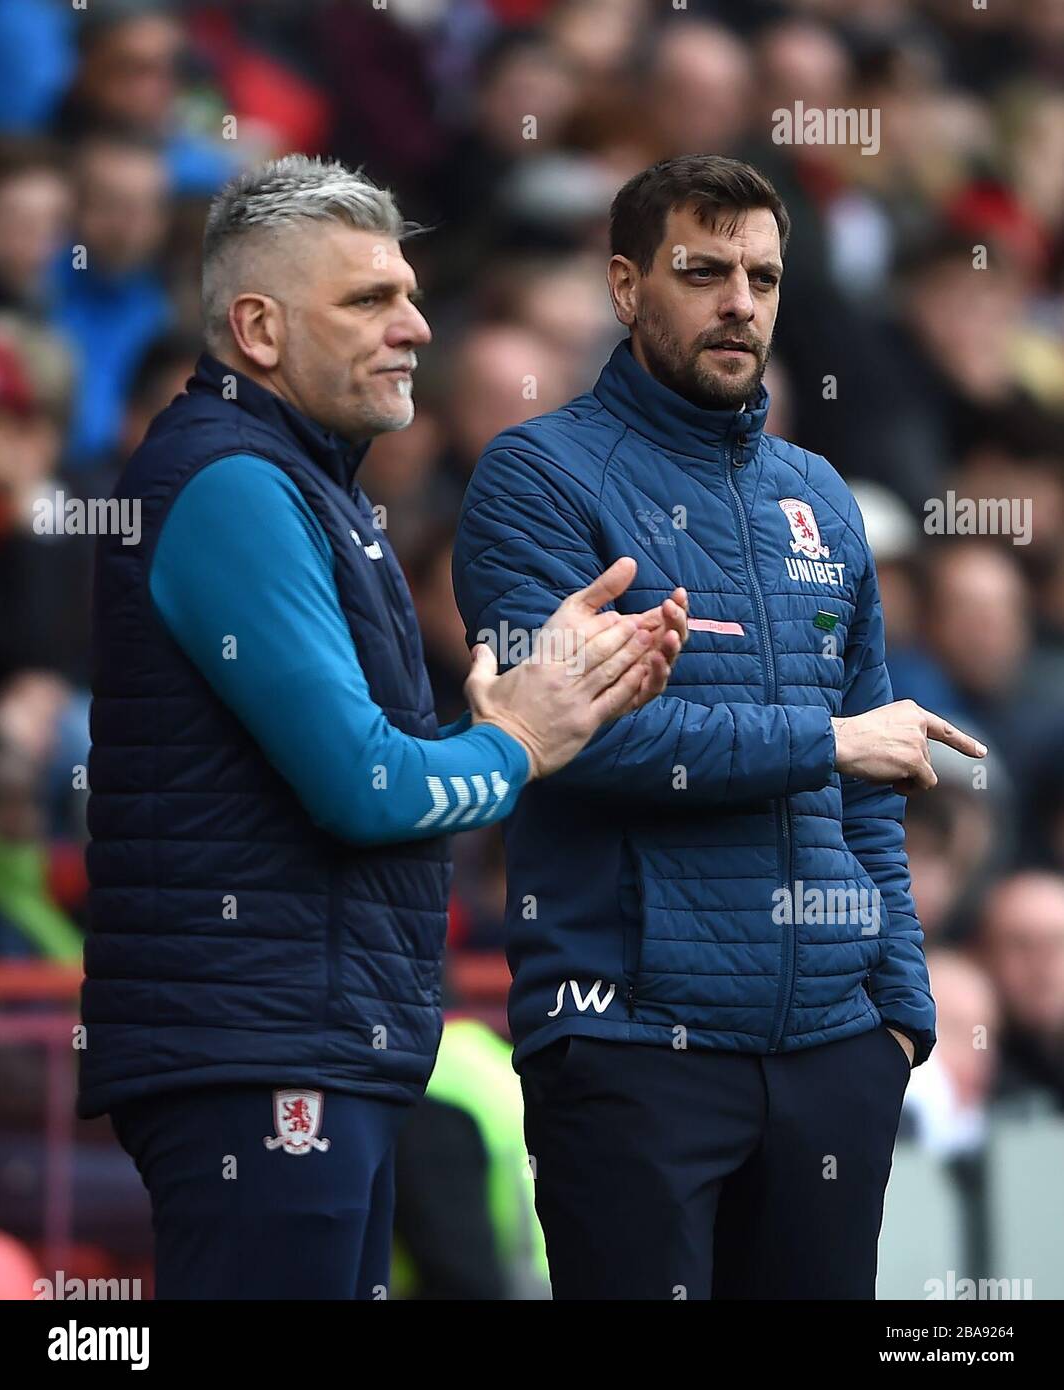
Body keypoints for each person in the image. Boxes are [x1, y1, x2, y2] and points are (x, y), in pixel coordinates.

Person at [78, 154, 687, 1300]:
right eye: (367, 299)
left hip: (304, 1048)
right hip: (259, 1058)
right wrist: (514, 742)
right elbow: (362, 786)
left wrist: (505, 714)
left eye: (409, 293)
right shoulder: (231, 486)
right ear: (256, 327)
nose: (414, 326)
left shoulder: (299, 484)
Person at [453, 154, 986, 1301]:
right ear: (625, 286)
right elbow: (576, 737)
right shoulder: (535, 479)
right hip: (632, 1043)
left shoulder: (820, 496)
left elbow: (873, 785)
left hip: (834, 1052)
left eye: (763, 275)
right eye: (702, 271)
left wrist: (896, 1017)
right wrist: (827, 741)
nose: (739, 301)